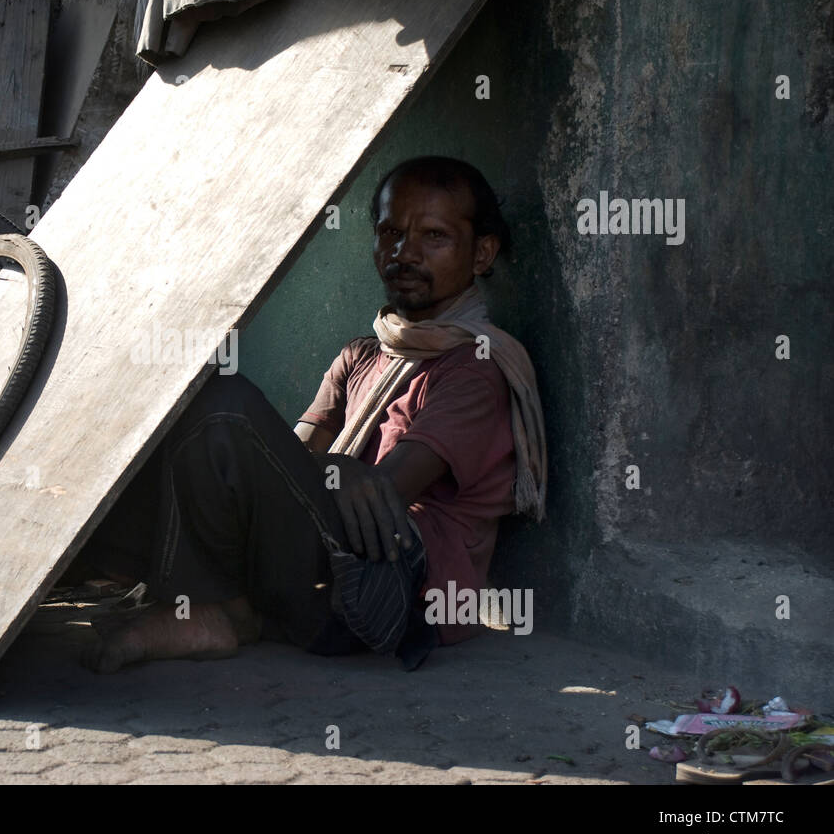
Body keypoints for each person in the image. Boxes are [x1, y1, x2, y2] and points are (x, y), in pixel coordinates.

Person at [79, 156, 547, 673]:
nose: (405, 252)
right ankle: (219, 610)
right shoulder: (361, 355)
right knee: (189, 421)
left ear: (481, 253)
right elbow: (295, 459)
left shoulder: (474, 369)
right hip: (324, 569)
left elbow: (384, 494)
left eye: (434, 236)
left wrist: (333, 471)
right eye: (390, 232)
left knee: (224, 405)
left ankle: (214, 613)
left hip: (388, 588)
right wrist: (332, 470)